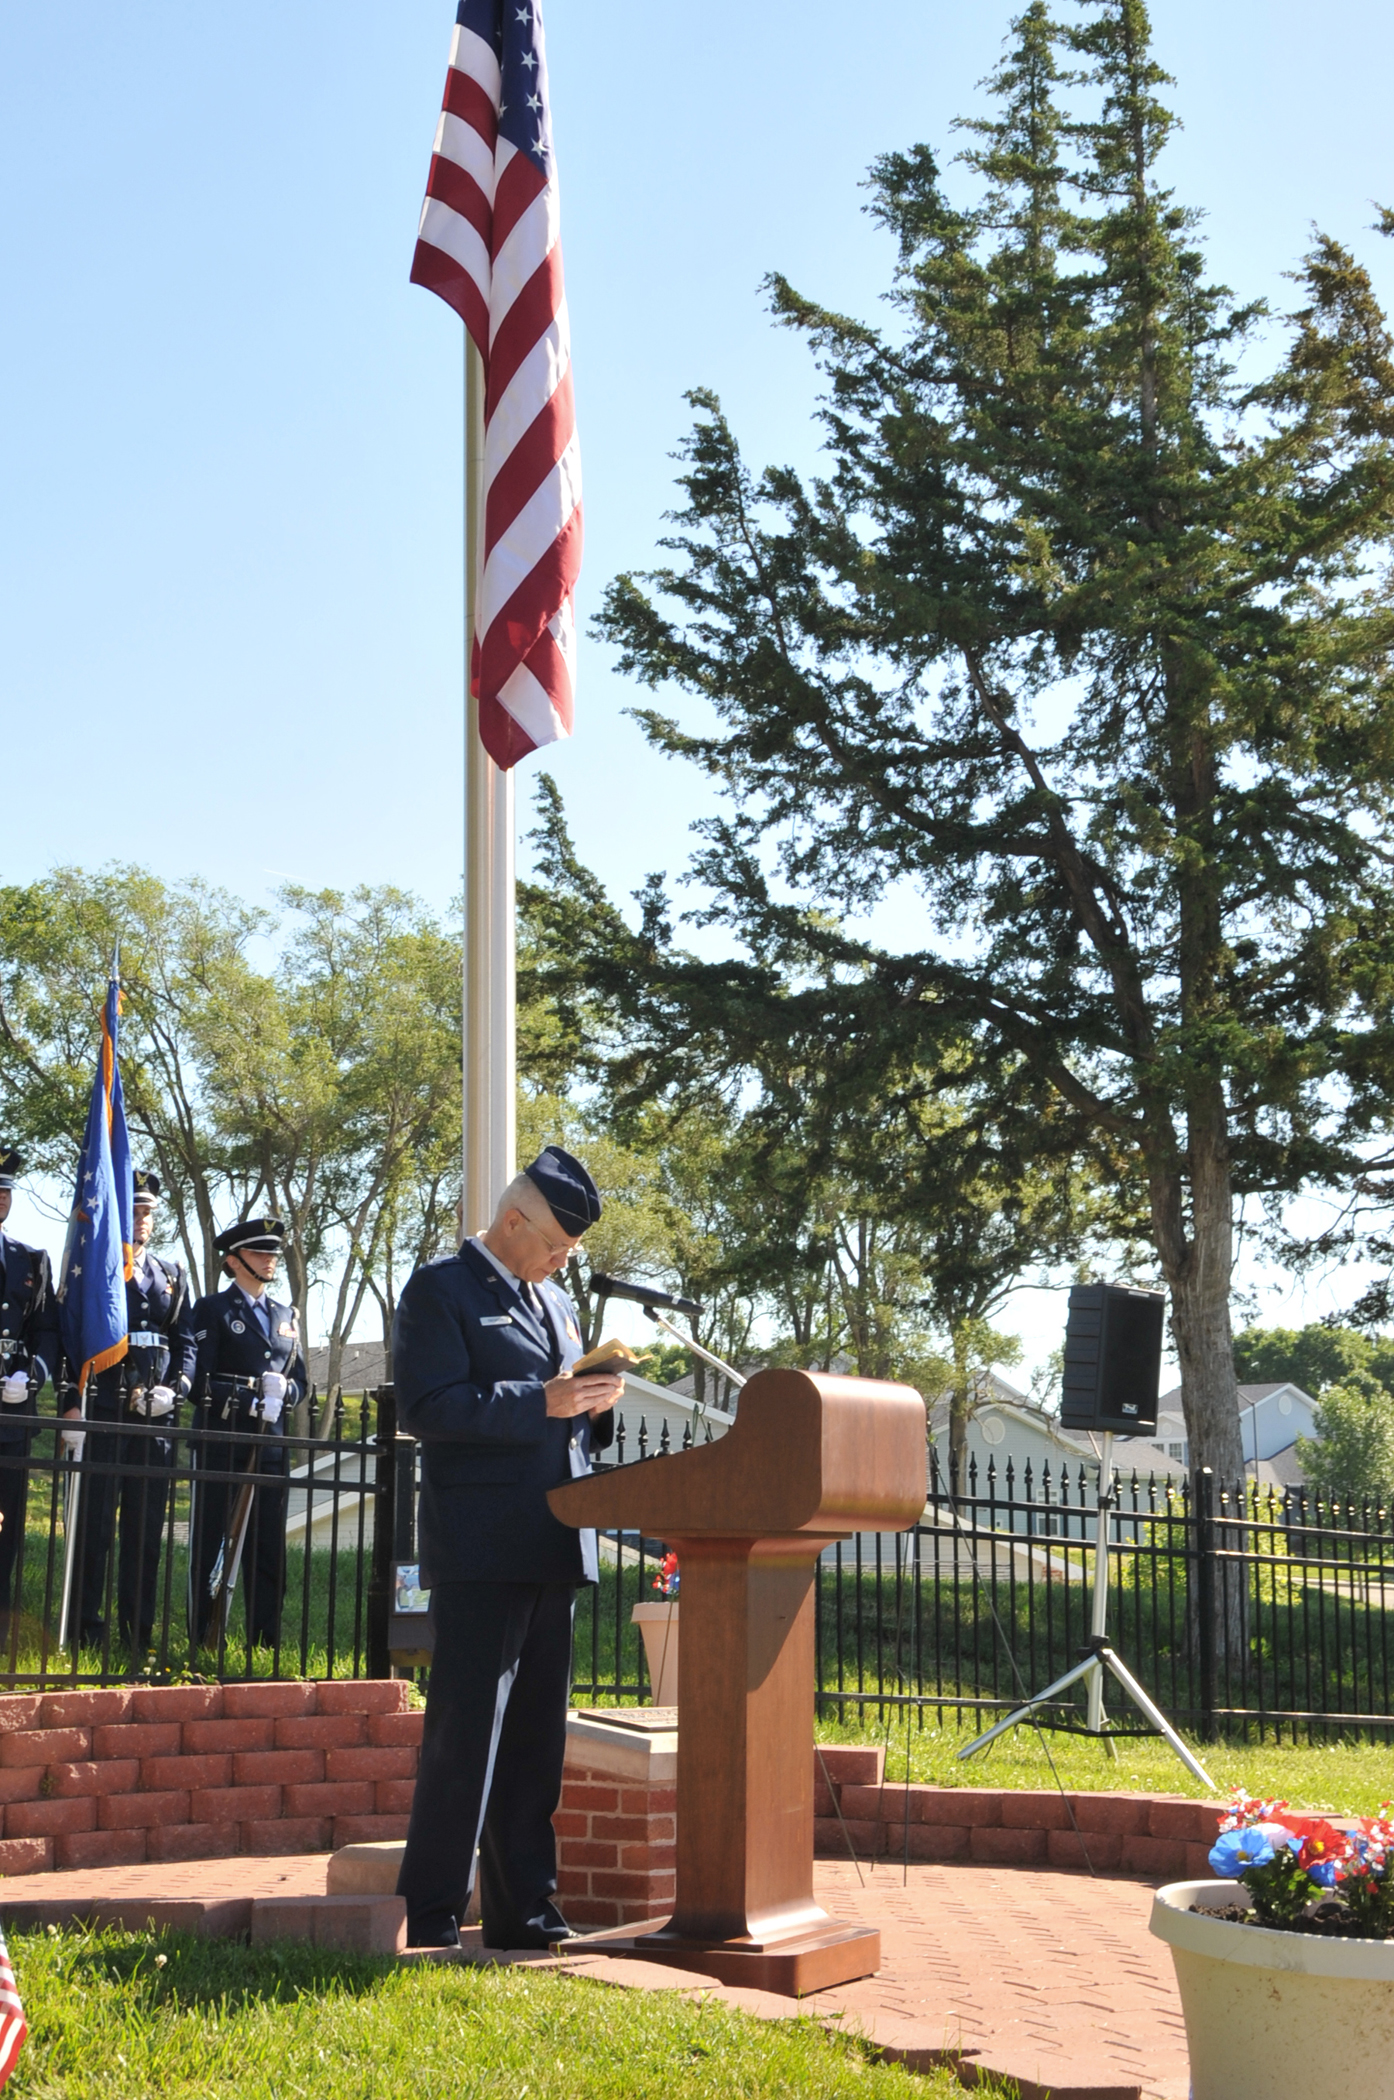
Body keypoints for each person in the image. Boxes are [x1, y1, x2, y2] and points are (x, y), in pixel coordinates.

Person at [393, 1145, 624, 1951]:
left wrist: (593, 1402)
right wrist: (546, 1398)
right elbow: (428, 1407)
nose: (562, 1262)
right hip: (482, 1545)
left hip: (555, 1540)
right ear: (513, 1220)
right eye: (557, 1246)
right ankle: (431, 1912)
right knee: (466, 1736)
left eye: (569, 1254)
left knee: (536, 1743)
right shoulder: (439, 1289)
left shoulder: (554, 1304)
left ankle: (526, 1911)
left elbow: (567, 1418)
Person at [68, 1172, 197, 1653]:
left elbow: (185, 1339)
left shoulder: (171, 1273)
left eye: (148, 1214)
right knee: (96, 1527)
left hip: (156, 1415)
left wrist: (176, 1388)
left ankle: (136, 1636)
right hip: (108, 1406)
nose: (142, 1221)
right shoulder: (99, 1267)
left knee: (144, 1531)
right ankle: (85, 1630)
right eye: (135, 1212)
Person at [188, 1217, 306, 1651]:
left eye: (273, 1253)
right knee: (210, 1545)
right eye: (260, 1253)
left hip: (269, 1447)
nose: (270, 1260)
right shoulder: (212, 1310)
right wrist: (248, 1399)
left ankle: (264, 1645)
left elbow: (301, 1381)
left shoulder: (285, 1316)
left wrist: (286, 1391)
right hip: (224, 1442)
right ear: (234, 1261)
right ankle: (202, 1639)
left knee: (267, 1550)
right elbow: (200, 1380)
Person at [0, 1149, 60, 1639]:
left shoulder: (30, 1261)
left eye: (5, 1191)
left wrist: (31, 1377)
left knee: (6, 1531)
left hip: (11, 1414)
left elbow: (46, 1332)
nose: (1, 1198)